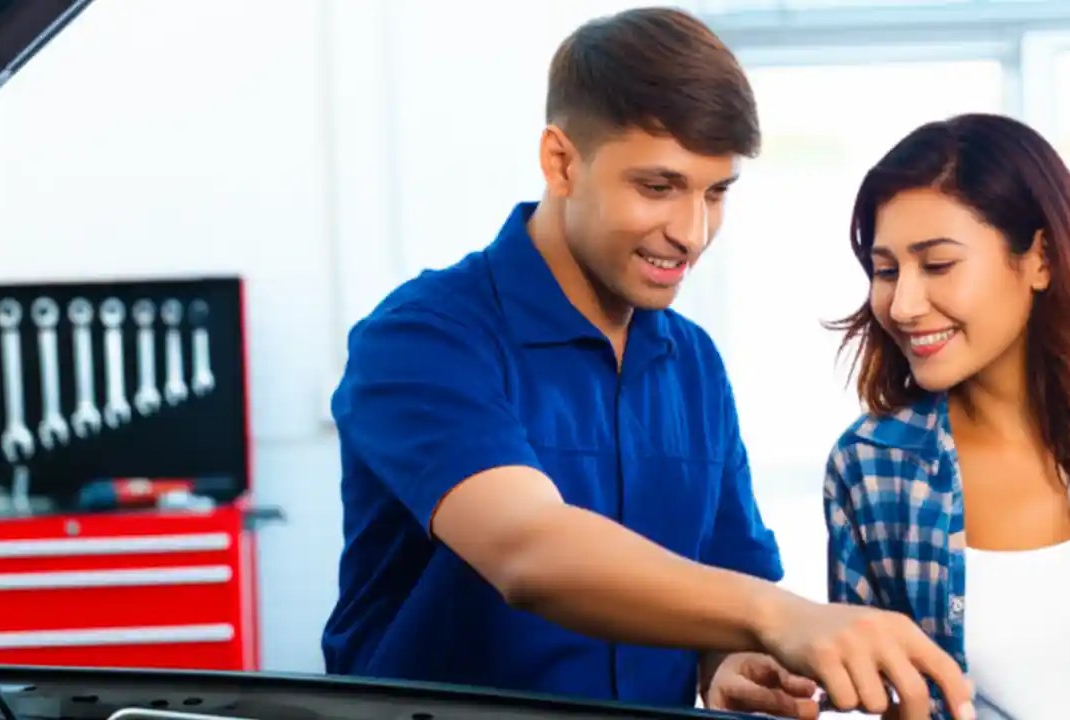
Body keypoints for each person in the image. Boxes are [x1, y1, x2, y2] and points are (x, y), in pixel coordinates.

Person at [321, 7, 974, 720]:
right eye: (658, 187)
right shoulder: (423, 337)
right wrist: (778, 615)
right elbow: (527, 549)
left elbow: (726, 596)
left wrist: (730, 662)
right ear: (561, 161)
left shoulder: (692, 365)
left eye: (716, 192)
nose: (691, 233)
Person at [822, 111, 1070, 720]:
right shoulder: (872, 467)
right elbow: (871, 702)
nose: (904, 303)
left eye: (939, 264)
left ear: (1040, 259)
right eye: (886, 270)